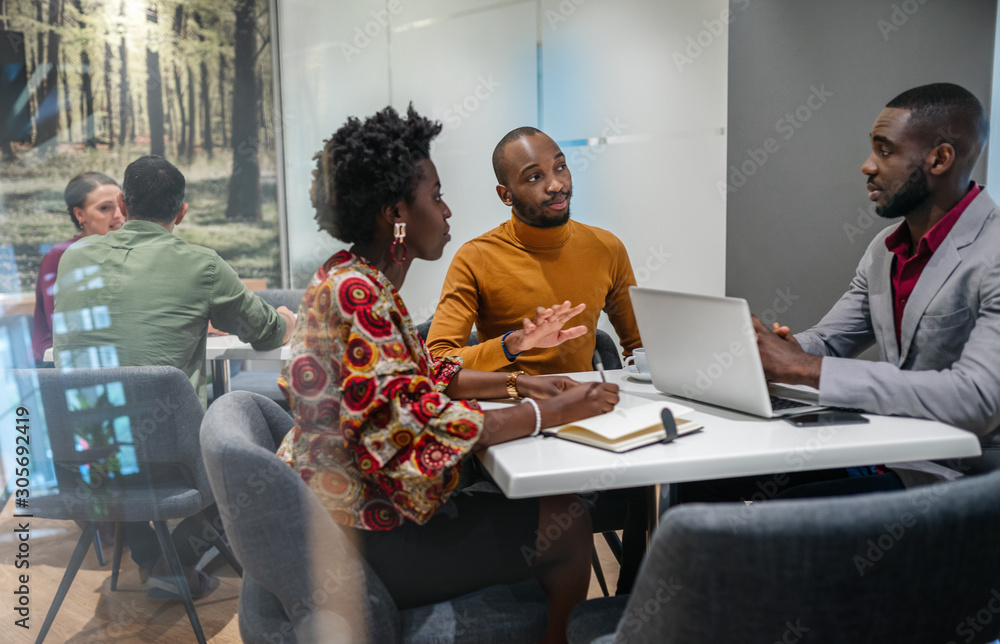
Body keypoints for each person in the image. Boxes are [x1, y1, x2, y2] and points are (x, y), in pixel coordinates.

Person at [276, 106, 619, 644]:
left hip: (350, 520)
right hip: (366, 541)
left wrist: (522, 383)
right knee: (567, 521)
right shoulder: (356, 295)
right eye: (435, 196)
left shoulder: (354, 280)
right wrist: (545, 413)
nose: (448, 208)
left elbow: (426, 375)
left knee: (546, 506)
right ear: (396, 215)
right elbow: (419, 429)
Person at [684, 83, 999, 504]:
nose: (867, 166)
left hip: (964, 482)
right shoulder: (884, 250)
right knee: (692, 484)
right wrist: (769, 349)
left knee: (774, 513)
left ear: (939, 158)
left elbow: (977, 400)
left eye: (884, 151)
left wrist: (803, 367)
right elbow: (828, 342)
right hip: (889, 455)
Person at [53, 155, 296, 599]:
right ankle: (177, 559)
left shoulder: (74, 257)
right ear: (181, 212)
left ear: (124, 203)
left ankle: (153, 558)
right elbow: (267, 334)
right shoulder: (200, 264)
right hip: (168, 461)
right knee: (267, 453)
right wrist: (286, 317)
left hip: (82, 460)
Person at [425, 126, 642, 375]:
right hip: (510, 406)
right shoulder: (476, 258)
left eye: (560, 167)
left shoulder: (607, 247)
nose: (555, 185)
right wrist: (513, 344)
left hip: (584, 403)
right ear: (506, 195)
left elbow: (640, 347)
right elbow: (438, 363)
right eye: (533, 177)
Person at [32, 172, 124, 365]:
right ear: (79, 214)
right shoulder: (59, 256)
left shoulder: (127, 250)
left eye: (122, 206)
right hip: (59, 370)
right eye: (105, 208)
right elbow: (65, 328)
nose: (118, 215)